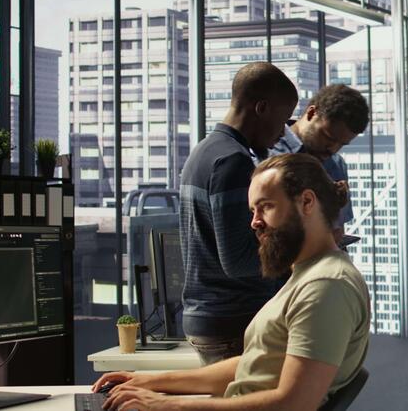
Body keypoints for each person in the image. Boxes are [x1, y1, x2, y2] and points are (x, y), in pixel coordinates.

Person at [94, 153, 371, 411]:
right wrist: (148, 382)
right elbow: (254, 365)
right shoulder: (307, 274)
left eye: (266, 207)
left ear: (307, 202)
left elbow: (294, 403)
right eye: (253, 211)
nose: (254, 222)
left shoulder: (326, 285)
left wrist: (168, 405)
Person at [180, 62, 298, 365]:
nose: (282, 132)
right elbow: (239, 261)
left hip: (211, 316)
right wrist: (300, 252)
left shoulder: (204, 151)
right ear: (262, 108)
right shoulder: (233, 161)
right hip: (234, 318)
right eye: (282, 120)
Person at [261, 84, 369, 242]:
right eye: (328, 137)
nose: (332, 149)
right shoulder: (266, 155)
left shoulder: (336, 165)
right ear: (311, 113)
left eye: (341, 144)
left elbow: (337, 231)